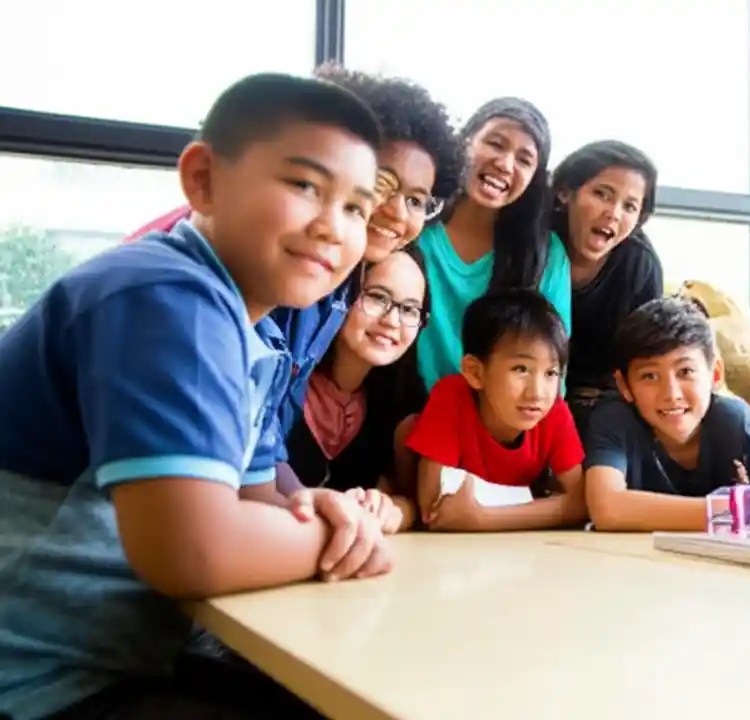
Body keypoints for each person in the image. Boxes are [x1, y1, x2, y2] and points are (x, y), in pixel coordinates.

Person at [0, 73, 393, 720]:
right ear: (203, 179)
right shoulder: (162, 296)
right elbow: (194, 551)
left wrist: (314, 508)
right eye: (304, 185)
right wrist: (336, 536)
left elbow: (257, 496)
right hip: (41, 682)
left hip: (132, 655)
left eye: (356, 207)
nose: (333, 227)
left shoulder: (255, 336)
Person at [122, 65, 461, 495]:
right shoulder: (182, 282)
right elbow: (189, 534)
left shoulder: (328, 279)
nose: (396, 212)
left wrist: (308, 508)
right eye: (380, 185)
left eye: (416, 200)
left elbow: (260, 439)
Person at [585, 297, 750, 532]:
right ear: (624, 386)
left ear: (715, 374)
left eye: (685, 371)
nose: (671, 394)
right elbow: (607, 509)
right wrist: (741, 511)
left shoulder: (735, 420)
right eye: (650, 376)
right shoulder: (614, 420)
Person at [416, 98, 572, 391]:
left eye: (524, 159)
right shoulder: (415, 227)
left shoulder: (546, 256)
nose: (505, 164)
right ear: (465, 142)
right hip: (403, 412)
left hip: (499, 424)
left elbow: (552, 372)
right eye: (496, 144)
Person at [406, 289, 586, 531]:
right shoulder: (451, 397)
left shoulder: (553, 411)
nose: (537, 392)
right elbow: (433, 509)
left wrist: (481, 518)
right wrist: (554, 509)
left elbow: (582, 503)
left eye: (551, 373)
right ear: (475, 372)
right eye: (521, 369)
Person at [285, 246, 428, 533]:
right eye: (377, 297)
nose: (392, 321)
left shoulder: (402, 403)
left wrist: (390, 510)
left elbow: (415, 502)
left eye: (409, 309)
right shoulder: (281, 379)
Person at [552, 140, 663, 432]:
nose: (614, 213)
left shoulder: (640, 265)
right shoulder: (534, 241)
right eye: (602, 194)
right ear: (565, 192)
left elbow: (646, 355)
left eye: (630, 206)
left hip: (603, 398)